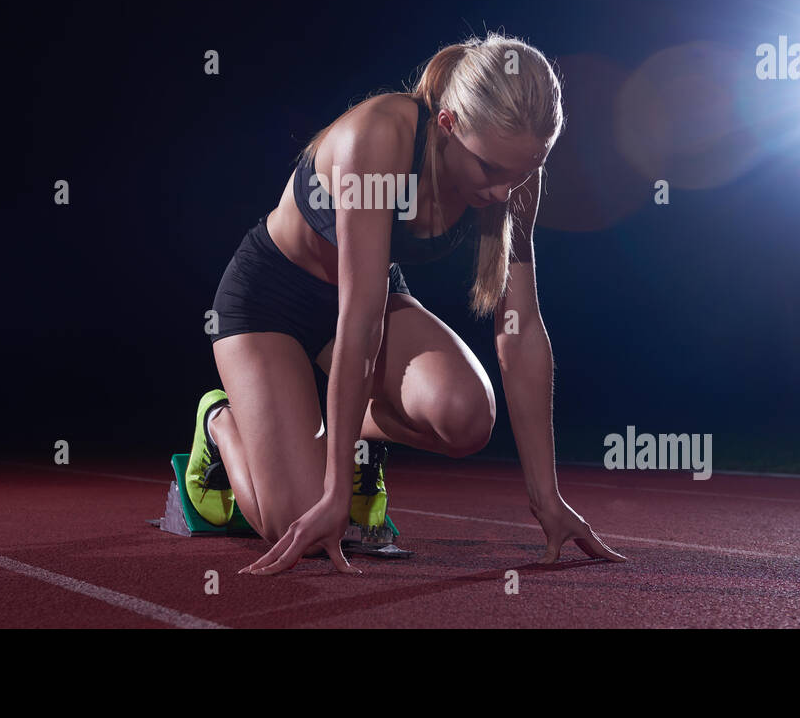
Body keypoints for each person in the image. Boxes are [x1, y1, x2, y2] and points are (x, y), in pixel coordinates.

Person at [192, 31, 628, 575]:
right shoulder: (377, 137)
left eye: (523, 171)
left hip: (367, 292)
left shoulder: (516, 178)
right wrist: (333, 495)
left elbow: (520, 328)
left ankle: (319, 429)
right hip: (270, 301)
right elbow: (359, 322)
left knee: (467, 416)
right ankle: (222, 423)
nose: (503, 191)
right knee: (298, 526)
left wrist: (547, 497)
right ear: (448, 125)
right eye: (491, 170)